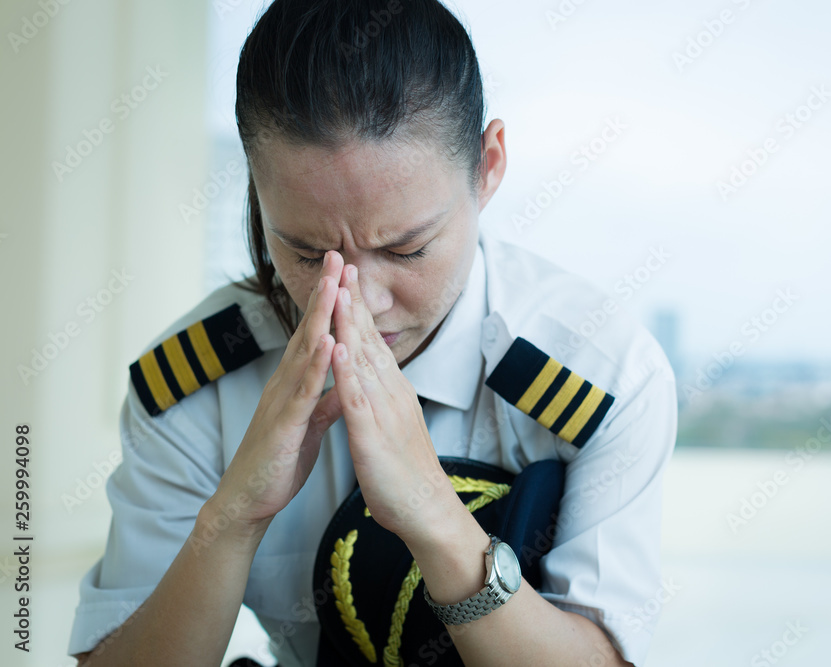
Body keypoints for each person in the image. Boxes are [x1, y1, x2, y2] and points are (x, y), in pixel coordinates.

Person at [67, 0, 677, 665]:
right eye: (305, 253)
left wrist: (435, 517)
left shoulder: (604, 374)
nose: (359, 302)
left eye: (408, 248)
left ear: (488, 166)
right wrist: (231, 518)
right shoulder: (194, 384)